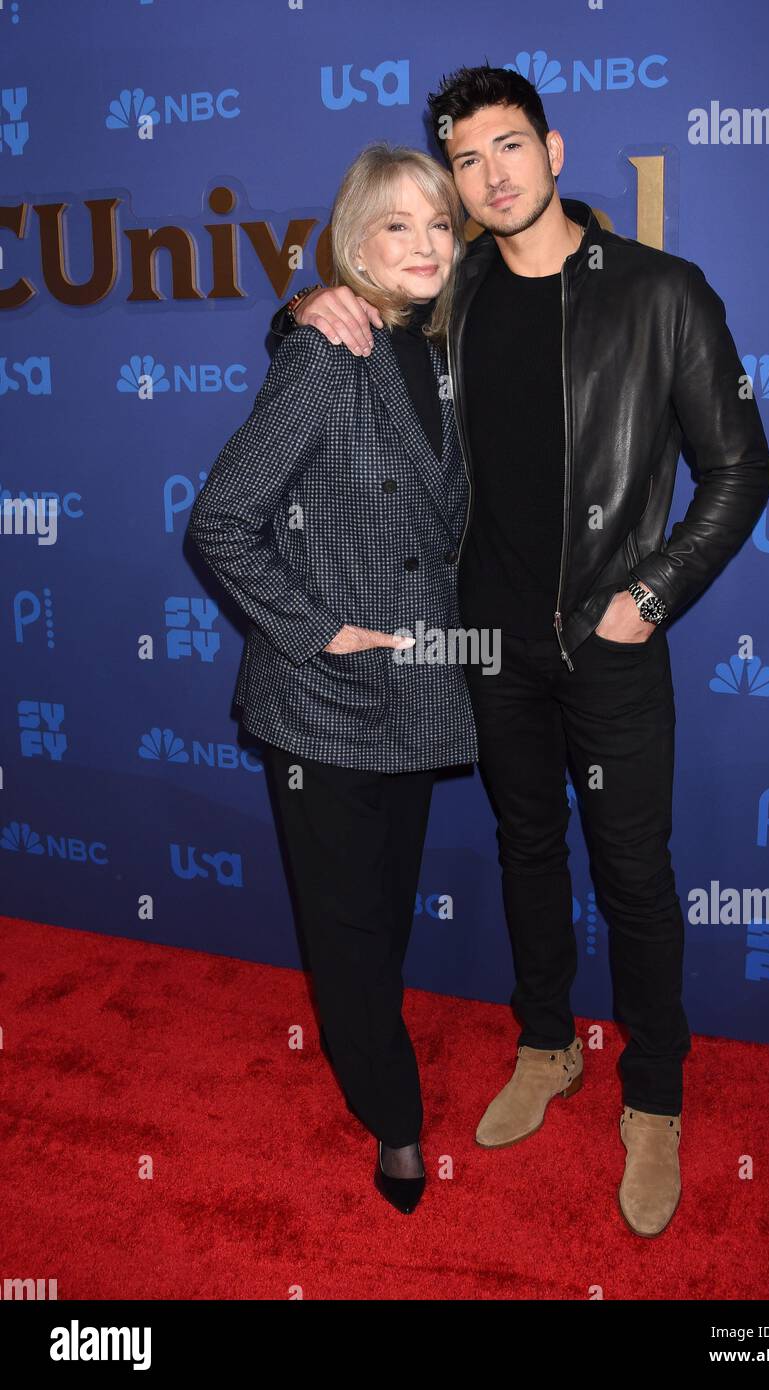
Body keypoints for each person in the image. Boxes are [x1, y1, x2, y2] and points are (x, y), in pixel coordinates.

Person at [271, 66, 769, 1238]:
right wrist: (297, 308)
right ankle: (547, 1042)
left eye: (509, 147)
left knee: (636, 876)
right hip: (487, 641)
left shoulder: (660, 291)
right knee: (528, 848)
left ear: (554, 147)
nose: (490, 175)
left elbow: (742, 468)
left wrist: (648, 596)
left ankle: (653, 1097)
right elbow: (360, 331)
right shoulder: (460, 292)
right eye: (465, 159)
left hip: (612, 640)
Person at [188, 142, 477, 1215]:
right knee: (349, 926)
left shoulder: (443, 353)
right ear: (354, 241)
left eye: (441, 225)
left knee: (382, 914)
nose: (424, 245)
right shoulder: (324, 355)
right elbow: (220, 519)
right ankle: (395, 1121)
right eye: (396, 225)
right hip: (322, 701)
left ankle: (372, 1044)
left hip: (419, 690)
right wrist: (312, 630)